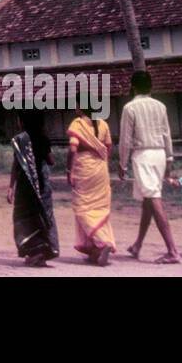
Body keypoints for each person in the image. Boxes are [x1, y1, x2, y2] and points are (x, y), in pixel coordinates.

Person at [118, 71, 181, 264]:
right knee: (148, 200)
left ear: (133, 86)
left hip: (143, 155)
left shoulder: (130, 107)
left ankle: (172, 251)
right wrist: (169, 159)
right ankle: (137, 245)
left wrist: (122, 163)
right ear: (151, 86)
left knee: (153, 198)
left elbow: (125, 139)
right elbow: (166, 134)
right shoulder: (160, 106)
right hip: (159, 153)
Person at [8, 108, 59, 266]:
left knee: (24, 218)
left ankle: (33, 251)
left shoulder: (20, 140)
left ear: (23, 121)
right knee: (44, 216)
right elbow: (51, 161)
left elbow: (16, 165)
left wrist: (11, 187)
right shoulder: (43, 138)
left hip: (25, 186)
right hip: (42, 186)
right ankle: (44, 251)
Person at [66, 106, 116, 265]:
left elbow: (73, 150)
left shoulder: (77, 124)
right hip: (100, 170)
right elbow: (109, 147)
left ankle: (103, 242)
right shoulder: (103, 124)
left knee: (82, 209)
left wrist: (69, 170)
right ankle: (94, 250)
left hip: (84, 168)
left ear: (80, 108)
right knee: (98, 208)